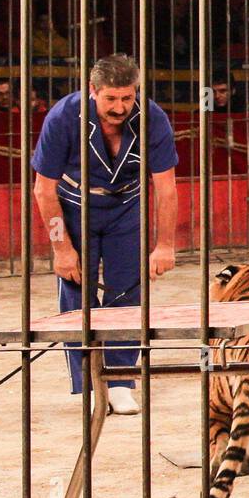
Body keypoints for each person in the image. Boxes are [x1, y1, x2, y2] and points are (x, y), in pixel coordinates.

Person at [30, 54, 179, 415]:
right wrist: (61, 248)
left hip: (126, 203)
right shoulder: (64, 117)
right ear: (93, 91)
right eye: (111, 98)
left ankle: (122, 382)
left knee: (127, 290)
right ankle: (88, 384)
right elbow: (42, 191)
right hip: (73, 202)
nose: (120, 107)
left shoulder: (152, 118)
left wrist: (165, 245)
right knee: (76, 288)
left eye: (127, 98)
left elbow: (166, 188)